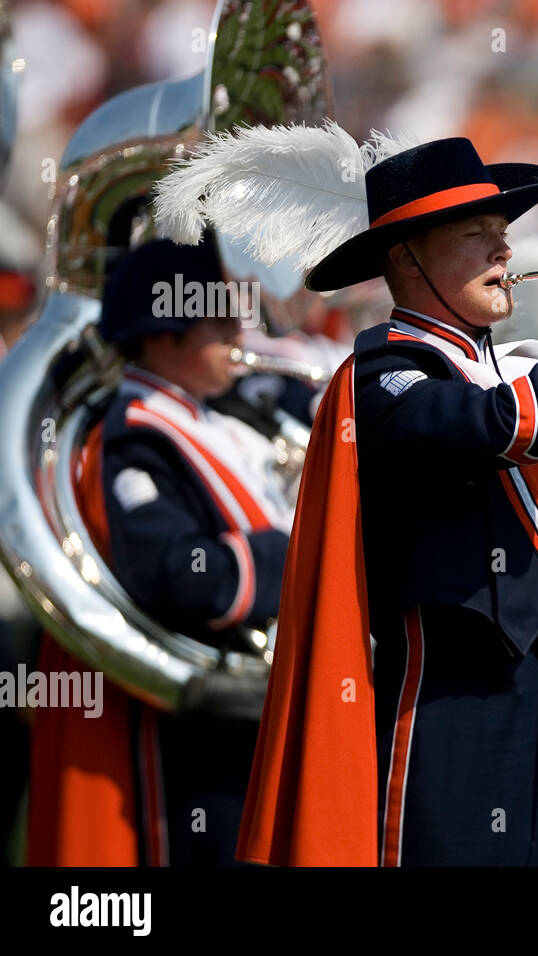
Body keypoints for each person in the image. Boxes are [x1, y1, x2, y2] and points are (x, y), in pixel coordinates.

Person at [225, 136, 538, 866]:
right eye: (474, 235)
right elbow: (513, 424)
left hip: (532, 687)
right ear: (405, 258)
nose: (503, 252)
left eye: (503, 235)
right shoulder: (385, 375)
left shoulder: (516, 372)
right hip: (439, 696)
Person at [27, 239, 295, 865]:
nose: (240, 332)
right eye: (219, 320)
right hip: (211, 720)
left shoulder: (216, 416)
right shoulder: (135, 437)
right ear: (164, 335)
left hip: (256, 707)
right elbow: (178, 575)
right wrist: (301, 553)